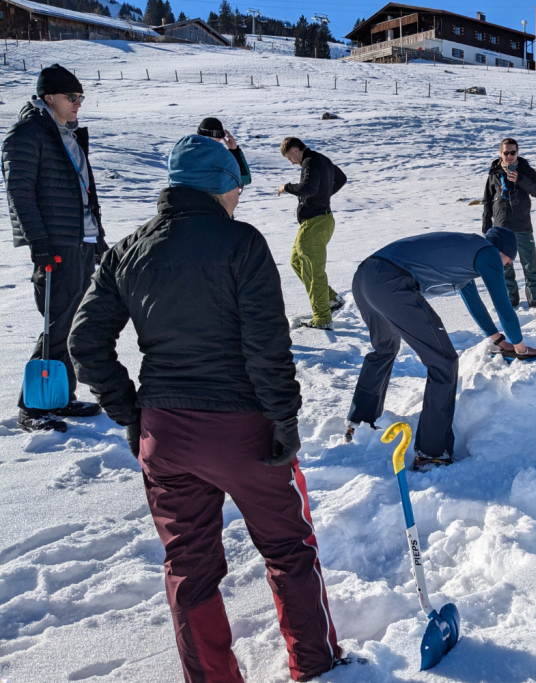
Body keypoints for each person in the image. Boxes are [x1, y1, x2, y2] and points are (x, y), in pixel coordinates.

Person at [68, 135, 343, 680]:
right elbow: (267, 343)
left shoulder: (127, 248)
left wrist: (131, 414)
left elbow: (83, 342)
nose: (238, 196)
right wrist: (284, 418)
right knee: (289, 548)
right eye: (235, 185)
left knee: (188, 569)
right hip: (243, 429)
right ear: (221, 186)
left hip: (165, 434)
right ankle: (316, 666)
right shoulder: (241, 243)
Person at [346, 227, 536, 469]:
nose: (505, 266)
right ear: (502, 252)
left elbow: (475, 304)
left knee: (385, 349)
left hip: (366, 277)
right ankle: (432, 452)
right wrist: (521, 348)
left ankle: (359, 422)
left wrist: (497, 339)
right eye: (508, 262)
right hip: (392, 282)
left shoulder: (466, 257)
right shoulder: (488, 254)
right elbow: (503, 305)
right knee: (443, 362)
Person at [2, 63, 107, 432]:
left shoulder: (69, 134)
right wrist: (39, 244)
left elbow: (84, 194)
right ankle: (32, 406)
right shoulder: (27, 134)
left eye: (81, 96)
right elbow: (19, 194)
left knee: (72, 323)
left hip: (82, 241)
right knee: (59, 322)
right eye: (72, 97)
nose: (79, 103)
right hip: (56, 244)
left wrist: (98, 238)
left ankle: (58, 397)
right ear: (49, 98)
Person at [276, 137, 347, 330]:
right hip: (320, 221)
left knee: (313, 270)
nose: (291, 162)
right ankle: (331, 300)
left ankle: (322, 318)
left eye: (290, 157)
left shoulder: (309, 162)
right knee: (297, 261)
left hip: (315, 223)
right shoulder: (321, 159)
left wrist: (286, 187)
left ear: (296, 150)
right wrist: (323, 195)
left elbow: (307, 188)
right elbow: (341, 179)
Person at [481, 137, 536, 307]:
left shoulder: (525, 170)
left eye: (512, 152)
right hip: (501, 227)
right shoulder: (494, 172)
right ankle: (511, 298)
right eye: (506, 153)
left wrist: (520, 180)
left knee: (530, 263)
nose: (509, 156)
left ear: (518, 153)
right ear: (500, 153)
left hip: (522, 224)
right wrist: (486, 227)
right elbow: (487, 200)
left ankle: (535, 298)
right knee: (504, 266)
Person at [197, 116, 252, 186]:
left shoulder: (183, 148)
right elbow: (244, 178)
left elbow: (245, 179)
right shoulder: (217, 155)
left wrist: (234, 150)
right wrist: (235, 151)